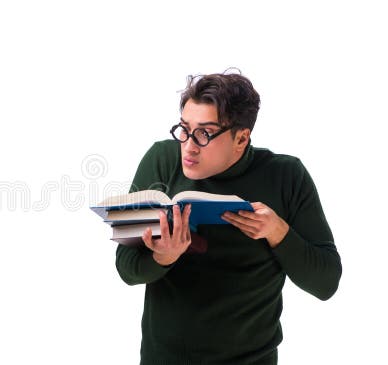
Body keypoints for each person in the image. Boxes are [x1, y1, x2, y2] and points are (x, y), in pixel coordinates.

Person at [115, 70, 342, 364]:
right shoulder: (161, 160)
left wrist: (278, 232)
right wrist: (163, 258)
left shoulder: (287, 176)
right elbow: (126, 267)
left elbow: (326, 283)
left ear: (241, 138)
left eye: (205, 133)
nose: (189, 146)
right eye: (184, 128)